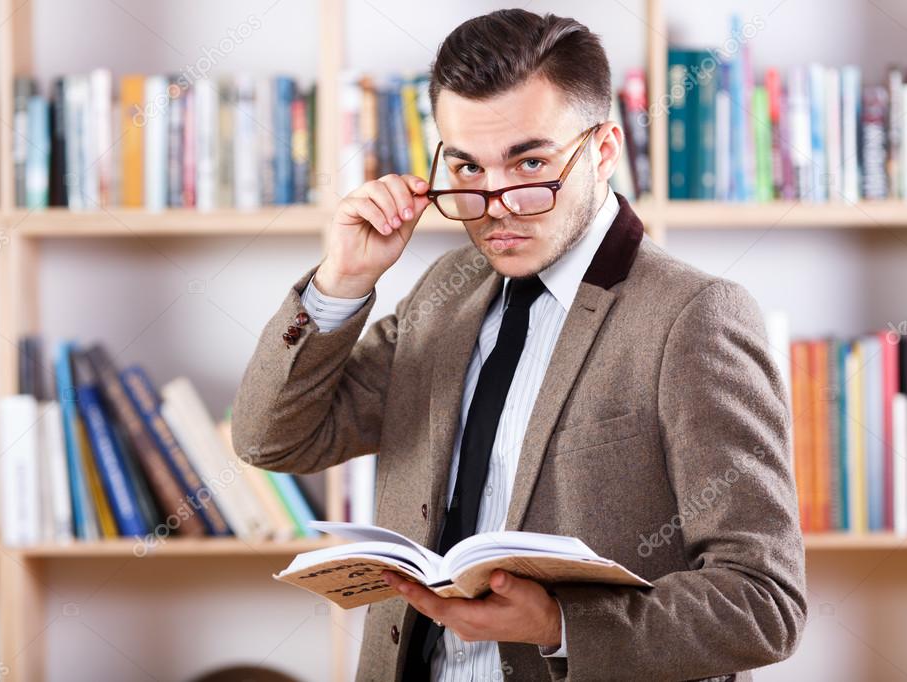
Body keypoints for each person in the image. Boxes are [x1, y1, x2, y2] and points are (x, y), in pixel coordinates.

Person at [232, 9, 805, 681]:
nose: (496, 202)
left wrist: (559, 624)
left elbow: (764, 603)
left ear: (603, 149)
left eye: (529, 161)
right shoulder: (445, 288)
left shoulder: (693, 317)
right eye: (466, 167)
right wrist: (344, 280)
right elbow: (273, 440)